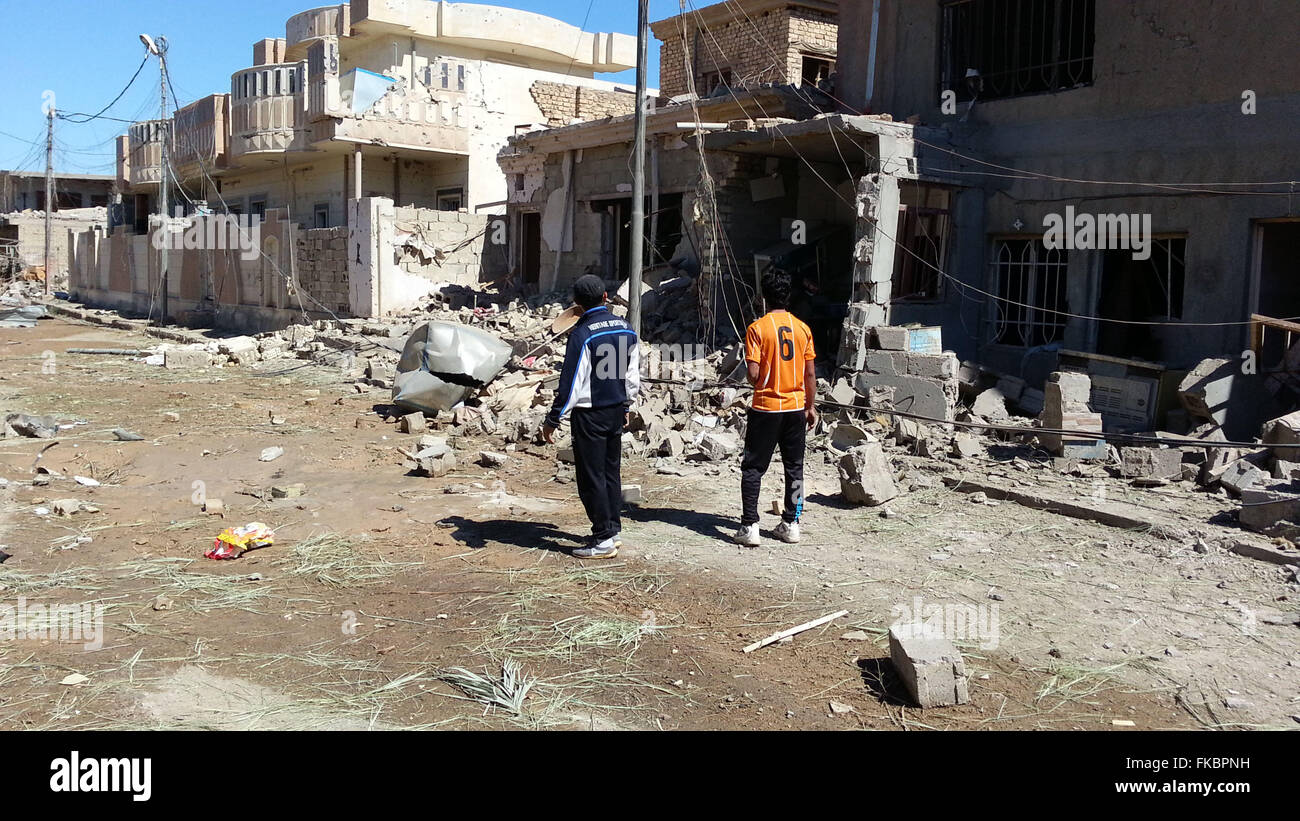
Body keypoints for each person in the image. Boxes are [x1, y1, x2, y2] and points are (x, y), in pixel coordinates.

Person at [542, 275, 640, 559]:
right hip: (615, 411)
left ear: (577, 305)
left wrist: (553, 418)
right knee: (611, 472)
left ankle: (603, 539)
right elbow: (632, 375)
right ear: (606, 296)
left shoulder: (582, 333)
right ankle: (612, 529)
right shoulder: (626, 327)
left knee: (591, 476)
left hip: (590, 414)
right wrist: (626, 406)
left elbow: (572, 381)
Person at [733, 269, 817, 547]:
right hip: (795, 407)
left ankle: (749, 526)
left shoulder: (757, 329)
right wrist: (810, 406)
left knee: (753, 467)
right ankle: (792, 523)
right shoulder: (803, 329)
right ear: (788, 295)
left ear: (763, 297)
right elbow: (810, 376)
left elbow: (754, 375)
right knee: (795, 467)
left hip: (767, 407)